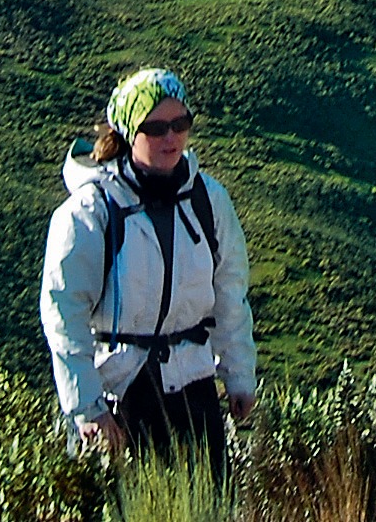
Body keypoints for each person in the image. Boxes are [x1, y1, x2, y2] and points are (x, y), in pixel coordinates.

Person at [41, 67, 256, 479]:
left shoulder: (208, 200)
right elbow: (63, 314)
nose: (171, 138)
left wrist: (240, 375)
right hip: (120, 396)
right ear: (126, 134)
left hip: (194, 393)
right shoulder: (90, 212)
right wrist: (87, 408)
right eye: (155, 128)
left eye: (180, 124)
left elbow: (230, 291)